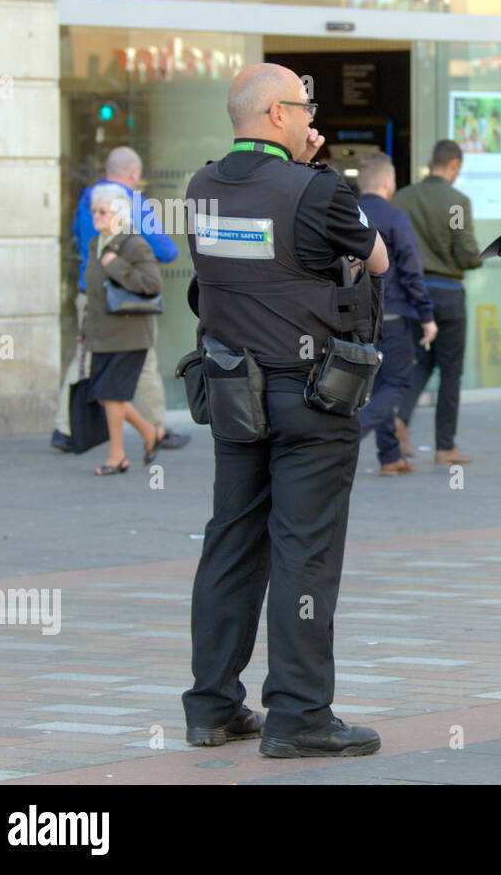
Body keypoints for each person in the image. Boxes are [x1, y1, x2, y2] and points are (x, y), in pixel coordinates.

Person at [181, 62, 390, 756]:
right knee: (304, 549)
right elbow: (379, 259)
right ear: (277, 116)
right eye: (303, 109)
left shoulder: (201, 186)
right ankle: (299, 714)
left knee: (231, 541)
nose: (309, 121)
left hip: (233, 391)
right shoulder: (319, 188)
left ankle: (212, 706)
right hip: (311, 396)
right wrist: (314, 173)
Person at [53, 146, 190, 454]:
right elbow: (165, 251)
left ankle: (64, 428)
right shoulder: (131, 203)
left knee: (84, 357)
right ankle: (155, 428)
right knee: (143, 361)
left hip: (90, 293)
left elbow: (79, 239)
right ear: (134, 174)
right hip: (126, 301)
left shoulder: (87, 203)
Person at [392, 139, 481, 466]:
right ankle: (445, 447)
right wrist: (475, 259)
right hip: (447, 294)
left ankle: (400, 418)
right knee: (451, 372)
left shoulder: (402, 198)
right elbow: (466, 251)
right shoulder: (456, 202)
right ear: (454, 165)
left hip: (412, 294)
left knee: (421, 361)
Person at [355, 151, 438, 475]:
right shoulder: (395, 218)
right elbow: (411, 272)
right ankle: (350, 435)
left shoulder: (347, 214)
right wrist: (427, 317)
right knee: (397, 384)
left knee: (378, 385)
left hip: (355, 319)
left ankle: (390, 456)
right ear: (388, 182)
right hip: (391, 316)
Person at [82, 184, 163, 476]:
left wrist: (116, 266)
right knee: (106, 395)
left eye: (103, 211)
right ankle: (150, 432)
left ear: (119, 214)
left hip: (130, 333)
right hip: (102, 332)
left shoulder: (133, 244)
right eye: (94, 211)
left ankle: (117, 455)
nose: (96, 216)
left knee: (113, 394)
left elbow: (152, 283)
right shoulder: (96, 244)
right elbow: (94, 292)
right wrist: (85, 328)